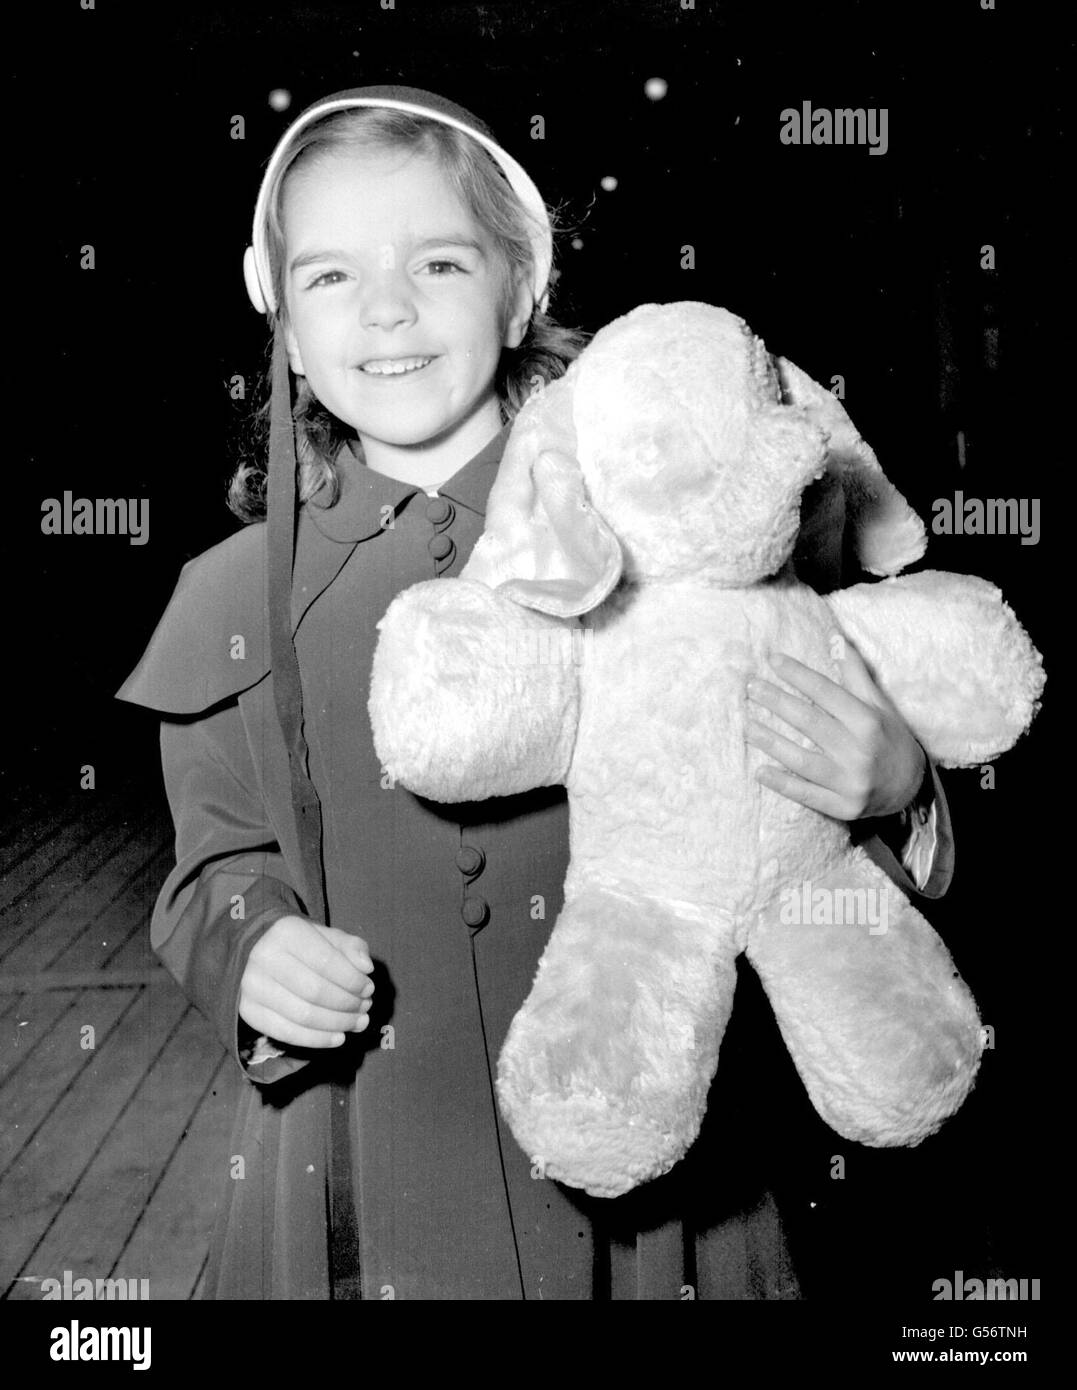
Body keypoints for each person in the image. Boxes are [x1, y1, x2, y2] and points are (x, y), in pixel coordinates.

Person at [117, 84, 952, 1300]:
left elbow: (788, 851)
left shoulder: (685, 533)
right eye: (332, 277)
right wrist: (250, 950)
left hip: (666, 1195)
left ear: (519, 289)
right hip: (368, 1169)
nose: (388, 308)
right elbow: (211, 870)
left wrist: (899, 791)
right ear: (279, 315)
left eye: (439, 262)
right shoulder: (231, 597)